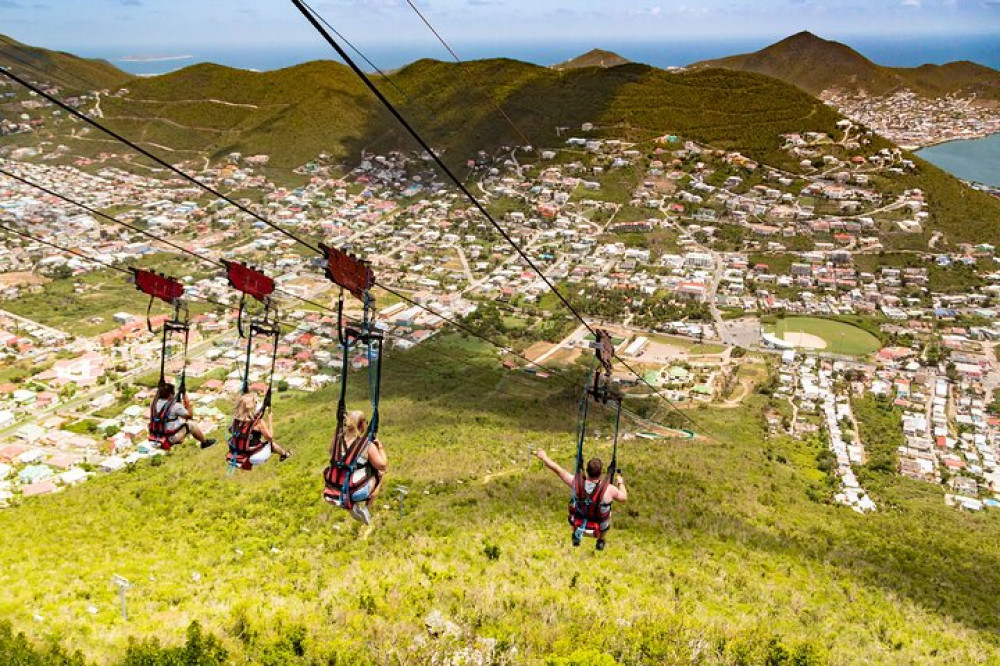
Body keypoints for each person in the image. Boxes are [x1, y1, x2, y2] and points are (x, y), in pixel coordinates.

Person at [534, 449, 627, 550]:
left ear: (586, 471)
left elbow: (558, 470)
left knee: (575, 507)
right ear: (600, 473)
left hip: (579, 518)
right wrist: (620, 483)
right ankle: (601, 539)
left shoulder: (576, 484)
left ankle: (576, 535)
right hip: (600, 525)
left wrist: (544, 457)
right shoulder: (609, 489)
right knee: (607, 513)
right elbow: (623, 498)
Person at [332, 410, 387, 526]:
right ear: (362, 424)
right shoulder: (366, 445)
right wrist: (380, 448)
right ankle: (367, 507)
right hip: (358, 492)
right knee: (380, 472)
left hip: (339, 490)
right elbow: (383, 464)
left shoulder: (338, 442)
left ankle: (351, 505)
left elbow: (331, 454)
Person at [229, 392, 291, 467]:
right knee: (271, 444)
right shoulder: (258, 422)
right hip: (255, 456)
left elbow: (231, 431)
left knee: (255, 441)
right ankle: (284, 454)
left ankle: (284, 454)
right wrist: (270, 419)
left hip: (239, 453)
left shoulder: (235, 420)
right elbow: (270, 437)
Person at [149, 381, 216, 450]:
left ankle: (179, 438)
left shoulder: (153, 403)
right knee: (191, 425)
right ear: (170, 394)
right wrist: (186, 399)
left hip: (154, 436)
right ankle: (204, 443)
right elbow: (190, 416)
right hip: (168, 438)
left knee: (176, 420)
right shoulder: (175, 406)